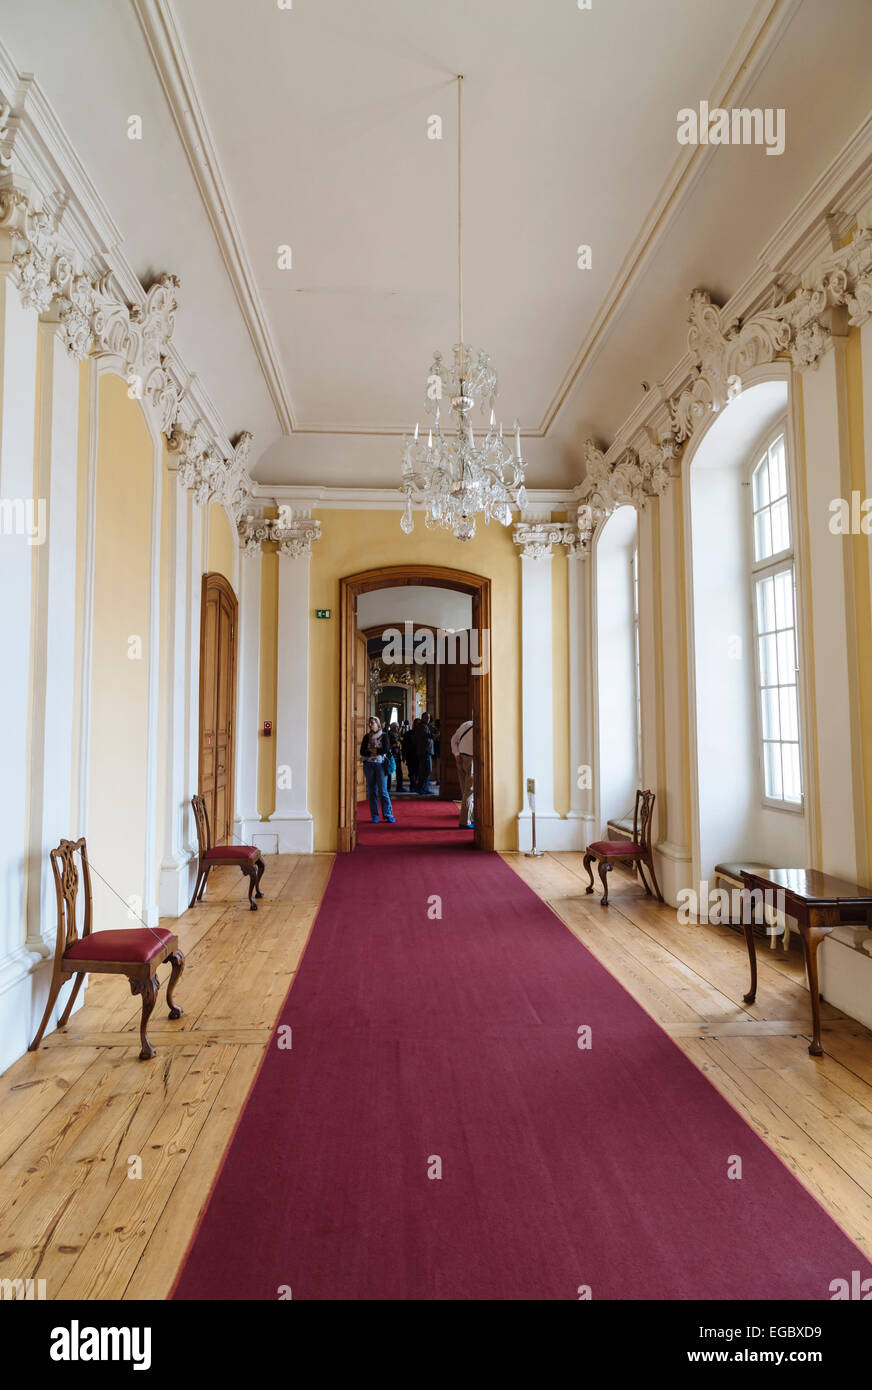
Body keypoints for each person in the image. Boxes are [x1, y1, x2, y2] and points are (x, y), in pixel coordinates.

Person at [360, 716, 395, 823]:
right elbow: (362, 751)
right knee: (372, 792)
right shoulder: (366, 737)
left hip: (380, 765)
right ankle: (375, 815)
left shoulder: (384, 736)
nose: (370, 724)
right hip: (369, 765)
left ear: (378, 724)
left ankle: (388, 814)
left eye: (372, 722)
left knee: (383, 791)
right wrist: (373, 752)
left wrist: (373, 751)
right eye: (369, 723)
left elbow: (386, 749)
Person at [450, 717, 474, 829]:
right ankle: (465, 821)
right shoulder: (479, 728)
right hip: (471, 760)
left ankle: (471, 817)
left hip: (461, 758)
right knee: (469, 791)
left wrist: (456, 754)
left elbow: (453, 740)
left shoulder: (466, 724)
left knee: (465, 790)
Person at [413, 712, 435, 795]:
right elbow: (426, 735)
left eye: (429, 717)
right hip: (424, 751)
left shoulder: (425, 726)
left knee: (425, 770)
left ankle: (421, 788)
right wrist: (435, 735)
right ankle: (422, 788)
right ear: (422, 718)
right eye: (426, 717)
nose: (428, 719)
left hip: (426, 751)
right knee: (426, 770)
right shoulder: (422, 726)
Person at [402, 721, 418, 793]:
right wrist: (403, 755)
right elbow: (404, 746)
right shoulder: (407, 734)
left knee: (417, 772)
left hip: (418, 755)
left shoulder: (420, 734)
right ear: (413, 724)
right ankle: (412, 786)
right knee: (411, 772)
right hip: (410, 755)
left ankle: (415, 786)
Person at [388, 721, 403, 792]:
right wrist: (394, 745)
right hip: (391, 755)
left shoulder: (397, 734)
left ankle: (399, 787)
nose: (398, 728)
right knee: (389, 771)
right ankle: (388, 787)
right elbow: (387, 745)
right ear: (393, 727)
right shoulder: (388, 734)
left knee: (399, 771)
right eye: (397, 727)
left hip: (397, 754)